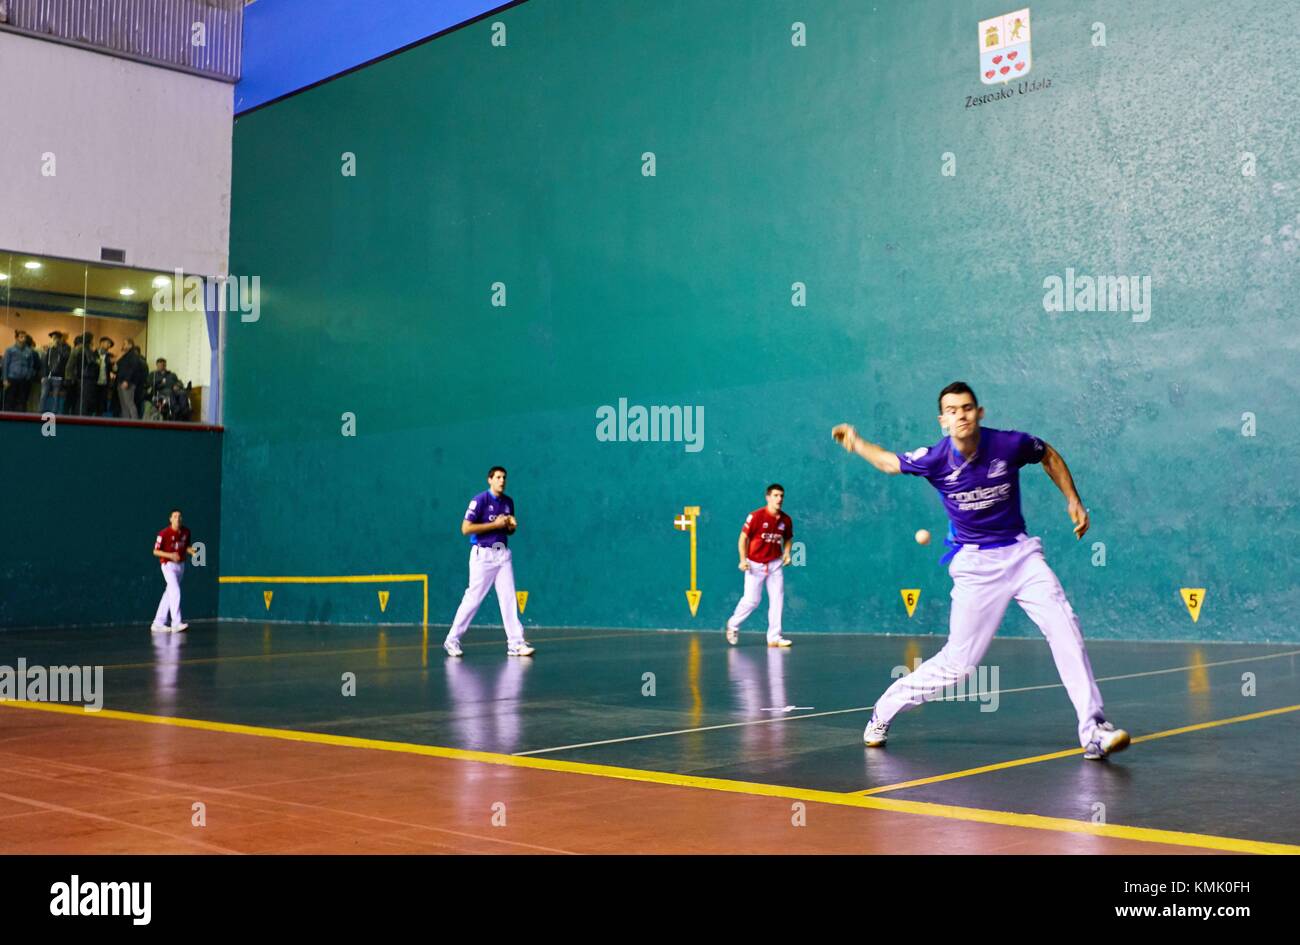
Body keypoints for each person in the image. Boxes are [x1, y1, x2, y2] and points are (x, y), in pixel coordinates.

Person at [832, 381, 1129, 761]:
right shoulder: (935, 458)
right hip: (974, 566)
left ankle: (1093, 730)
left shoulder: (1008, 444)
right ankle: (884, 710)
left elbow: (1047, 454)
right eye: (952, 410)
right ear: (942, 420)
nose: (961, 415)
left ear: (980, 412)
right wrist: (856, 442)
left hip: (1021, 555)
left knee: (1065, 627)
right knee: (959, 665)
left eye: (968, 408)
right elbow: (891, 463)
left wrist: (1073, 498)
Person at [443, 466, 534, 657]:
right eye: (498, 477)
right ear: (489, 480)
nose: (502, 481)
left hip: (502, 555)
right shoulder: (479, 500)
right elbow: (466, 529)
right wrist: (495, 524)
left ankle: (515, 643)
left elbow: (506, 530)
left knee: (509, 598)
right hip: (482, 556)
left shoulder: (508, 502)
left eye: (504, 478)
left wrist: (510, 527)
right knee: (473, 599)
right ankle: (452, 640)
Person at [724, 484, 795, 647]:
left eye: (781, 496)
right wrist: (743, 560)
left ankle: (774, 637)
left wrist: (787, 553)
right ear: (768, 497)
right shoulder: (755, 516)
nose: (779, 499)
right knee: (752, 600)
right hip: (754, 564)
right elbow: (743, 539)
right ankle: (733, 625)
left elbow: (788, 538)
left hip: (775, 564)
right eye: (776, 495)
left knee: (777, 599)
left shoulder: (786, 520)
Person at [151, 508, 196, 632]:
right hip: (168, 565)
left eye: (180, 516)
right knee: (175, 590)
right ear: (170, 519)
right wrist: (170, 555)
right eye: (175, 516)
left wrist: (190, 551)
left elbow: (185, 546)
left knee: (169, 593)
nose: (178, 518)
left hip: (180, 566)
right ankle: (176, 623)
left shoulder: (186, 532)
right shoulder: (163, 533)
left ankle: (158, 623)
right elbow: (155, 551)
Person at [2, 330, 40, 411]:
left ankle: (20, 421)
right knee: (9, 401)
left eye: (24, 337)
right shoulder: (10, 350)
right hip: (12, 379)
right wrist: (5, 379)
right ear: (16, 338)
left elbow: (31, 365)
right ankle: (8, 420)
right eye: (21, 337)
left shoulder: (29, 351)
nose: (23, 339)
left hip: (24, 380)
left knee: (22, 402)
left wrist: (29, 375)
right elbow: (5, 365)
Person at [114, 338, 146, 420]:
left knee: (129, 403)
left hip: (128, 382)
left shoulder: (134, 356)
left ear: (130, 345)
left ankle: (135, 421)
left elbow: (132, 369)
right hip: (120, 381)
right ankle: (126, 421)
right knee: (123, 404)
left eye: (125, 344)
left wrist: (127, 381)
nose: (123, 345)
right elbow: (116, 366)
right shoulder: (124, 355)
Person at [39, 330, 70, 414]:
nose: (54, 340)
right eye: (53, 338)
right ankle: (40, 411)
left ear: (60, 339)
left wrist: (58, 347)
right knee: (43, 395)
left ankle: (54, 412)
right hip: (46, 375)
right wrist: (42, 375)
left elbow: (66, 358)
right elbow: (43, 362)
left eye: (56, 338)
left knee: (56, 396)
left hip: (58, 376)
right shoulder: (48, 348)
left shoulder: (65, 347)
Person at [94, 337, 115, 416]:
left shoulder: (110, 356)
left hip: (105, 382)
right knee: (93, 401)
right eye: (107, 343)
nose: (109, 345)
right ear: (101, 343)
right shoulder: (94, 353)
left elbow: (113, 369)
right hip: (94, 381)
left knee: (102, 402)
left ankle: (99, 418)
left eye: (110, 344)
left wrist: (114, 367)